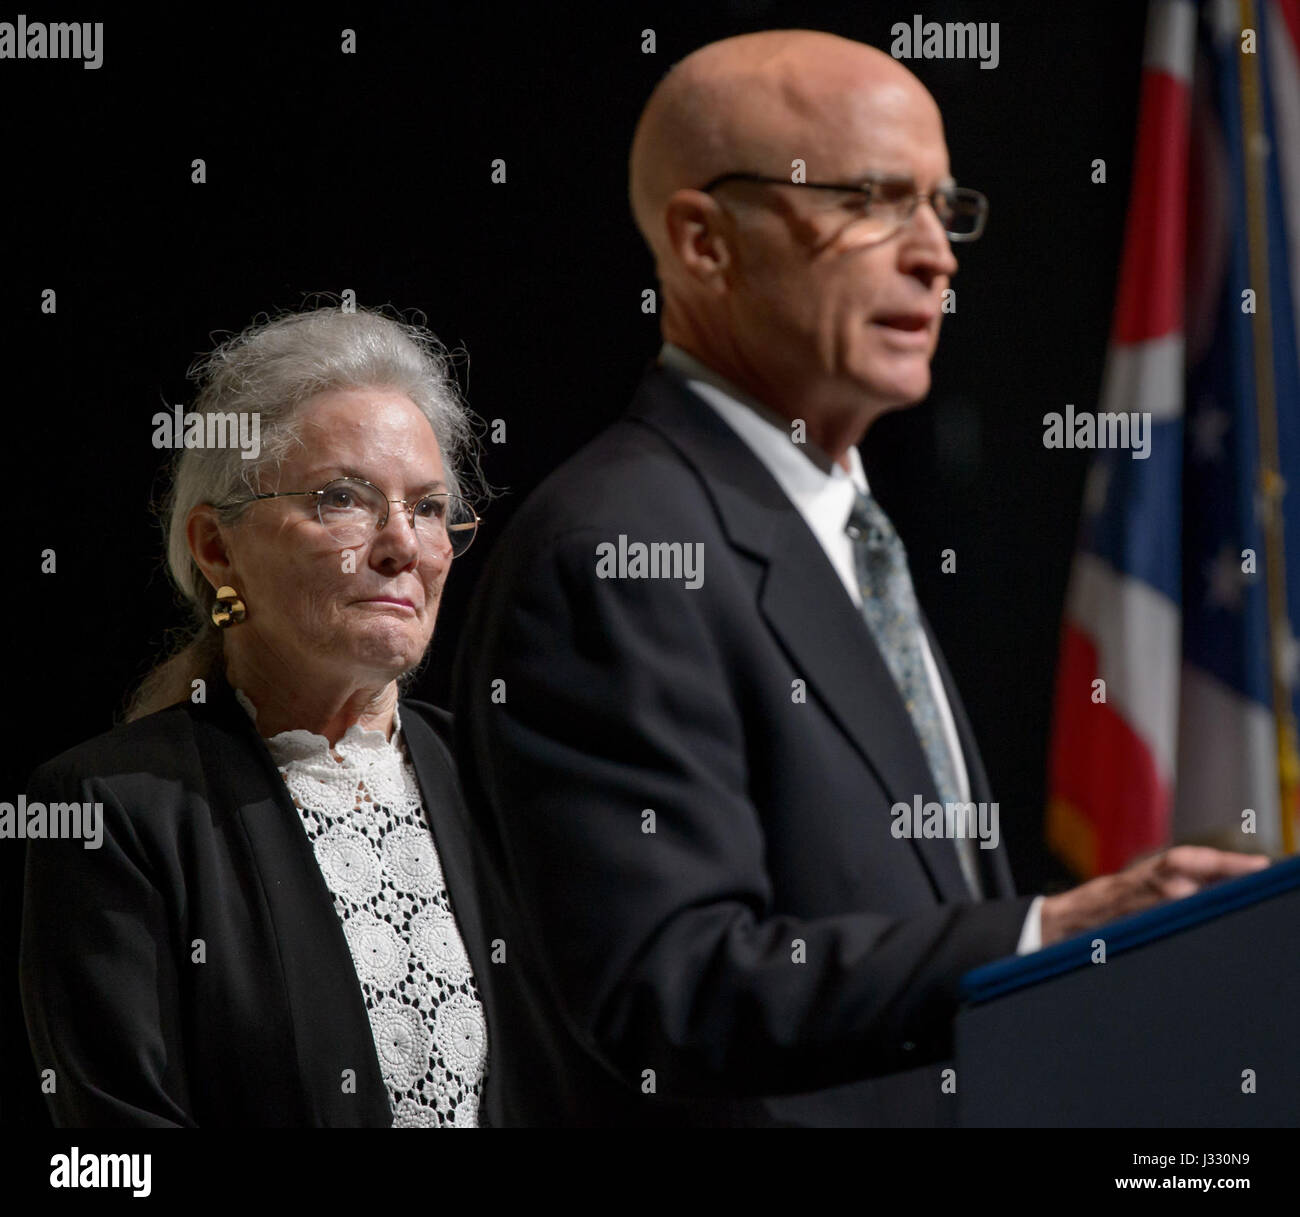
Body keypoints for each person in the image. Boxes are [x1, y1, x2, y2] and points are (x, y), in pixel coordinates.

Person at [451, 30, 1268, 1127]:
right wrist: (1044, 933)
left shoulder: (846, 530)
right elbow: (669, 983)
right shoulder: (617, 550)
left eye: (943, 206)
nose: (937, 254)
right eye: (876, 200)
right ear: (703, 241)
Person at [21, 306, 495, 1127]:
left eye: (426, 507)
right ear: (216, 547)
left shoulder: (498, 781)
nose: (401, 546)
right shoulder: (110, 812)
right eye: (343, 498)